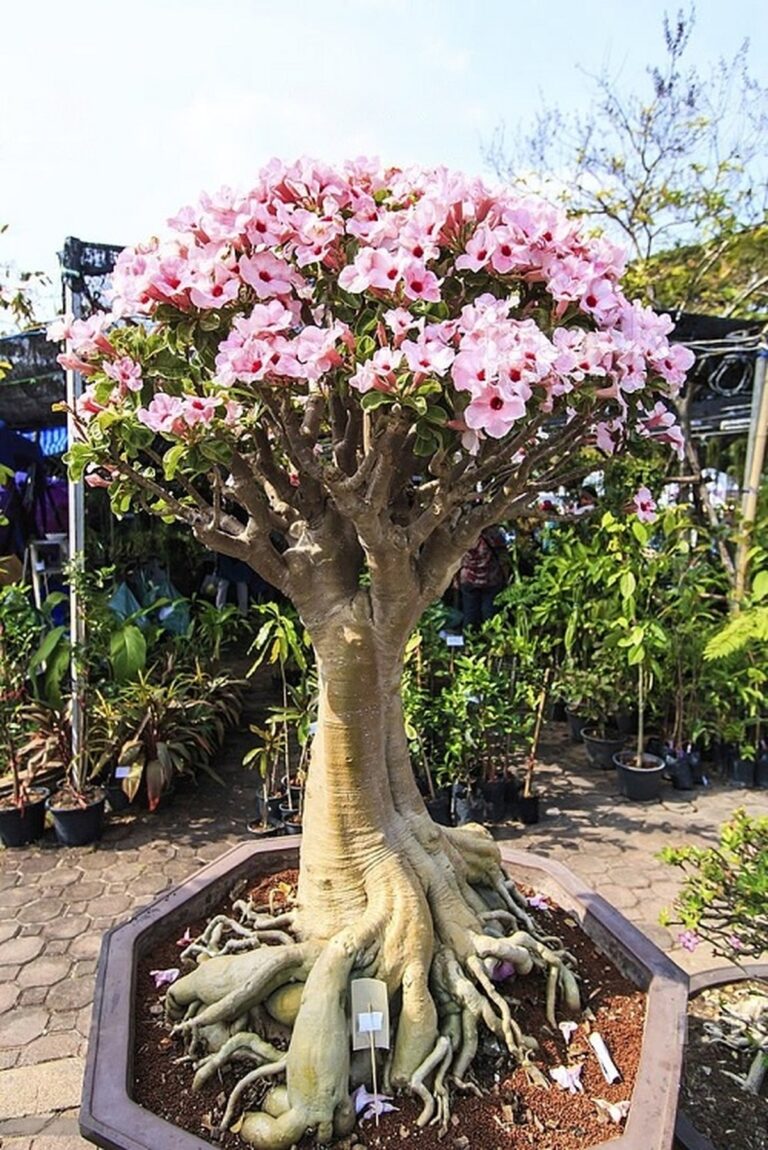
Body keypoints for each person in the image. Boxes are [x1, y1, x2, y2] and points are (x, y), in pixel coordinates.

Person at [459, 526, 510, 627]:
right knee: (489, 612)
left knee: (470, 612)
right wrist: (506, 575)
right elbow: (503, 555)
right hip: (490, 578)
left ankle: (470, 639)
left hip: (469, 578)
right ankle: (490, 638)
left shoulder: (462, 532)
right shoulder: (492, 532)